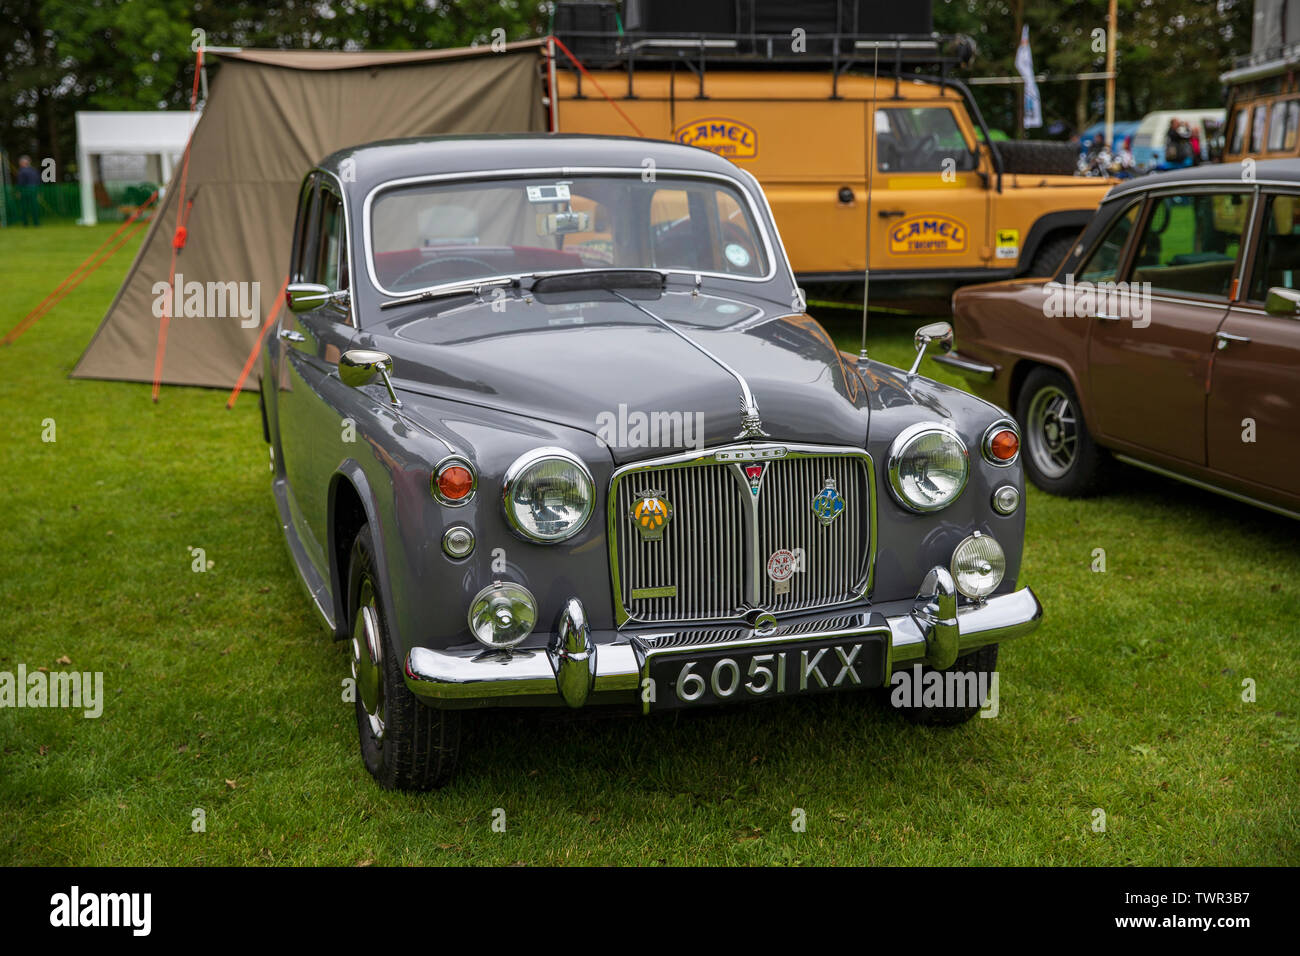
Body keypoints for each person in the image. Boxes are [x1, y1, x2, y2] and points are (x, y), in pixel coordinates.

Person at [16, 155, 41, 226]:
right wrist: (38, 191)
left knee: (24, 208)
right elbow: (38, 181)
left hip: (25, 190)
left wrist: (19, 192)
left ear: (23, 163)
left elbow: (21, 182)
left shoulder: (21, 171)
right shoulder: (34, 170)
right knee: (34, 207)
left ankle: (25, 223)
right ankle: (36, 223)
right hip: (34, 190)